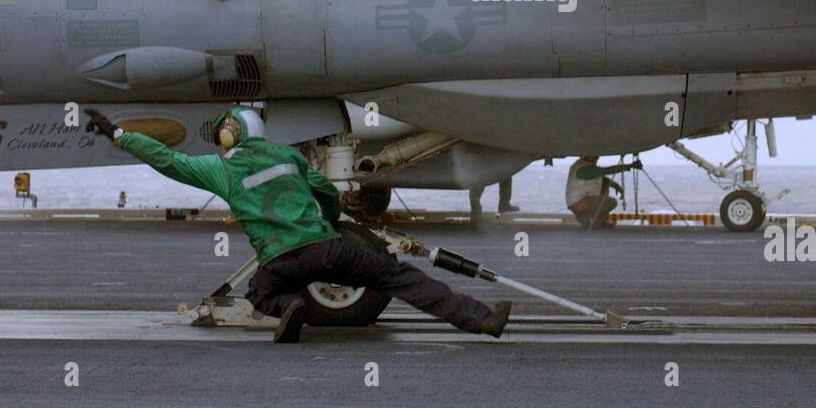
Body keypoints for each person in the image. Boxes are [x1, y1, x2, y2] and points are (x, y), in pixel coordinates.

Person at [84, 106, 511, 343]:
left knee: (259, 292)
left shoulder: (221, 170)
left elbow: (168, 160)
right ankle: (483, 320)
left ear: (231, 134)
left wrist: (118, 134)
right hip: (328, 248)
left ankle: (288, 309)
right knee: (402, 278)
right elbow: (326, 192)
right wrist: (325, 227)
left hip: (280, 261)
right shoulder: (288, 156)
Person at [566, 156, 640, 228]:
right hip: (578, 204)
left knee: (604, 187)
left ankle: (596, 222)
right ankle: (584, 217)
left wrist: (617, 187)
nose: (594, 158)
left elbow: (603, 180)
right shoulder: (583, 168)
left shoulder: (586, 166)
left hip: (580, 202)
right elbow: (606, 170)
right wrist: (630, 166)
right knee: (612, 202)